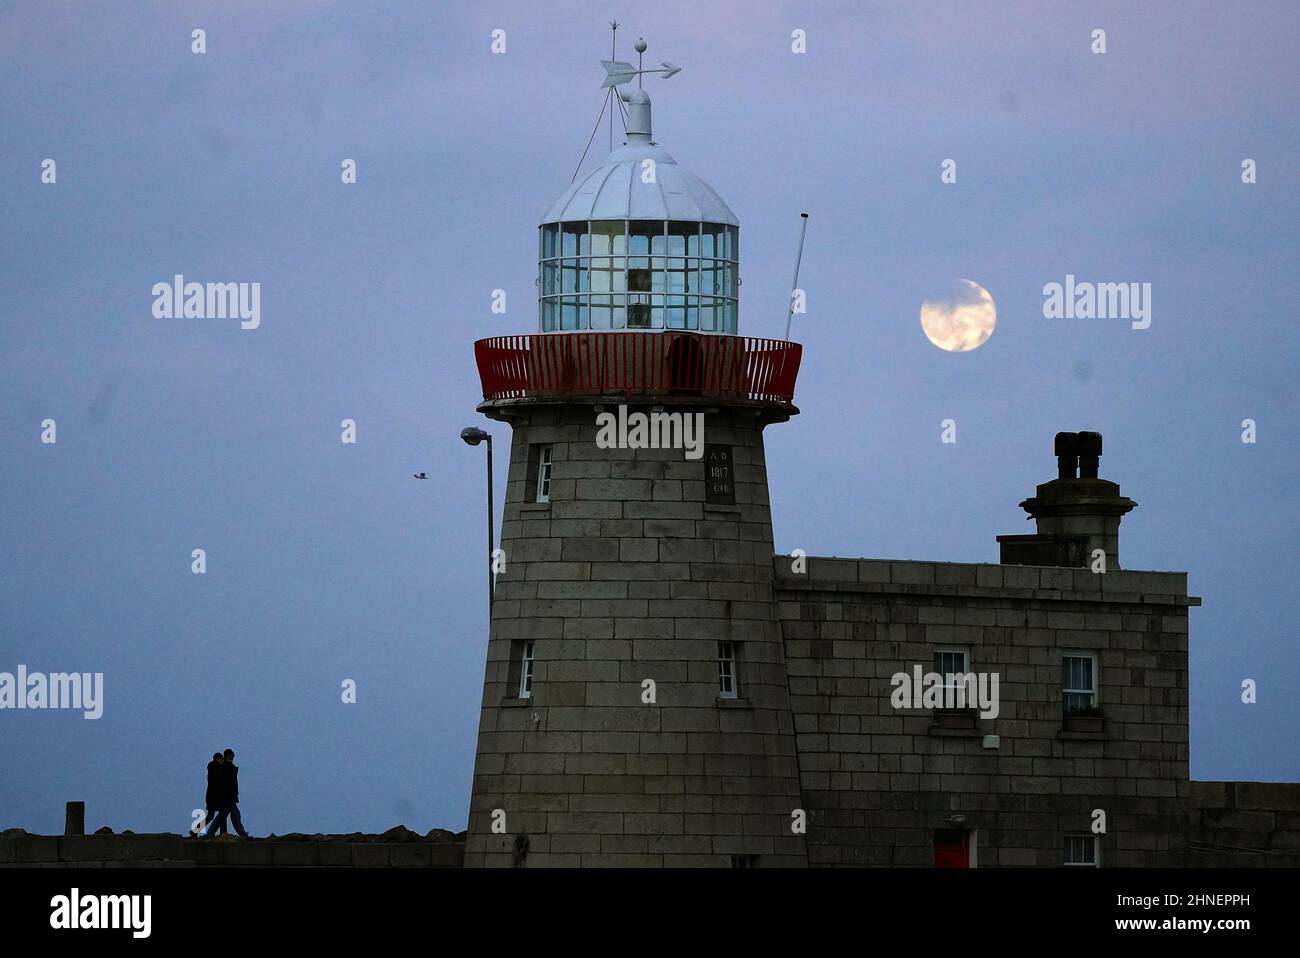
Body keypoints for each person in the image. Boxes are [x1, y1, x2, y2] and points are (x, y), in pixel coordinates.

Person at [203, 747, 250, 838]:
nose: (231, 759)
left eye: (232, 757)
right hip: (226, 797)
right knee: (231, 815)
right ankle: (242, 834)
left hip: (225, 797)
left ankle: (211, 833)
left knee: (221, 815)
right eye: (229, 757)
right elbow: (224, 783)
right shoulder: (224, 767)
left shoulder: (227, 767)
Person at [202, 752, 226, 836]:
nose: (222, 761)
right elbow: (218, 782)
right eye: (221, 759)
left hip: (211, 796)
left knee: (211, 816)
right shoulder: (217, 768)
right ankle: (223, 833)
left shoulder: (212, 767)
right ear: (218, 759)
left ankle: (195, 831)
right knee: (222, 814)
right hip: (216, 796)